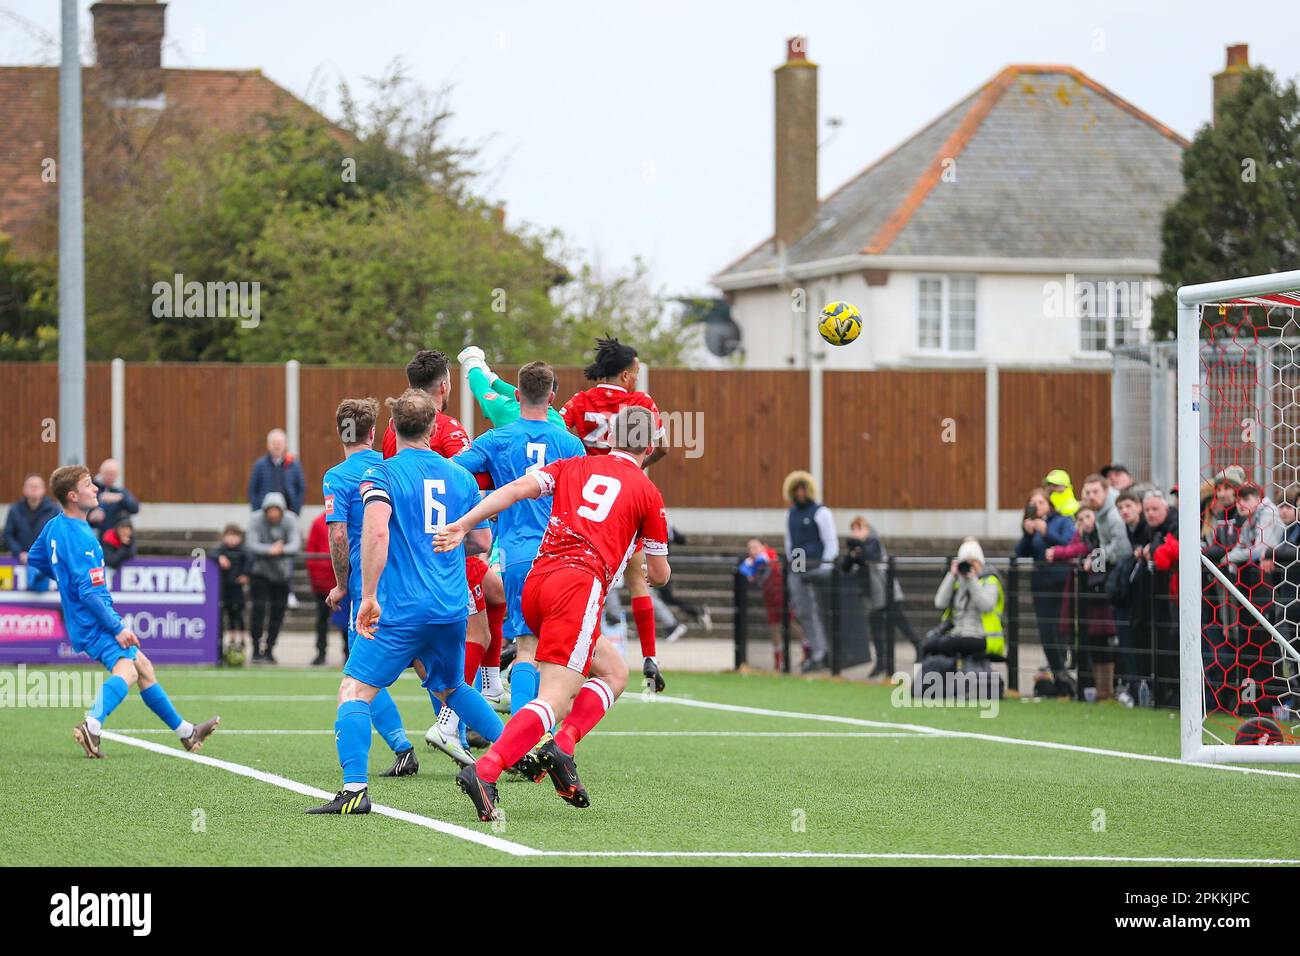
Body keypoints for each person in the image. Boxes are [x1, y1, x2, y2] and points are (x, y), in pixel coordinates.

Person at [437, 405, 670, 822]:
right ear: (650, 447)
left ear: (610, 438)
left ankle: (562, 748)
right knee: (555, 698)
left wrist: (463, 523)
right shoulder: (648, 494)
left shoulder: (575, 464)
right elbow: (658, 573)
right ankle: (486, 770)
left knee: (614, 673)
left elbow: (514, 490)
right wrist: (655, 567)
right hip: (577, 588)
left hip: (537, 583)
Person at [307, 390, 503, 815]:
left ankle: (355, 790)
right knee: (452, 687)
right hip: (450, 606)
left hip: (396, 605)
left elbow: (371, 534)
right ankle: (516, 753)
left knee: (354, 689)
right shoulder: (461, 477)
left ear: (392, 428)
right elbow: (482, 540)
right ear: (434, 427)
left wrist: (366, 594)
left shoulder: (381, 474)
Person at [27, 465, 219, 758]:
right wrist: (117, 627)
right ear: (73, 495)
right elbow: (89, 592)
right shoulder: (85, 538)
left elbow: (35, 558)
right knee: (127, 670)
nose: (95, 489)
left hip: (82, 617)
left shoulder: (55, 525)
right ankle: (92, 725)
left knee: (143, 668)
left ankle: (186, 733)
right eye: (89, 485)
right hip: (95, 619)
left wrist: (65, 582)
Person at [381, 348, 509, 749]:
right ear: (445, 386)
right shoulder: (448, 429)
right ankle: (453, 721)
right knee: (477, 634)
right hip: (447, 548)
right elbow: (468, 484)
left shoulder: (392, 429)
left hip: (406, 552)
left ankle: (480, 698)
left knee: (491, 599)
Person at [451, 361, 591, 724]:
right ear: (553, 398)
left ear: (516, 394)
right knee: (560, 653)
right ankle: (547, 730)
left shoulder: (497, 439)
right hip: (562, 558)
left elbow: (453, 468)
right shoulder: (570, 443)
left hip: (516, 554)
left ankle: (520, 737)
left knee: (526, 647)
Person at [321, 396, 420, 778]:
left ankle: (399, 749)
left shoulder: (337, 475)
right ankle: (464, 735)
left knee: (358, 672)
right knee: (438, 675)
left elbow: (339, 535)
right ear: (374, 432)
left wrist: (342, 585)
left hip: (369, 585)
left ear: (340, 432)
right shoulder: (390, 467)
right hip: (409, 580)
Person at [560, 336, 668, 673]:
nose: (636, 377)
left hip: (587, 498)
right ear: (624, 374)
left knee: (579, 574)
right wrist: (635, 471)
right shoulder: (640, 402)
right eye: (635, 371)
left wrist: (582, 464)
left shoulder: (580, 401)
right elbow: (662, 447)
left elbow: (557, 436)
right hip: (627, 500)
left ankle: (568, 648)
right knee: (638, 578)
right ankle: (649, 657)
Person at [838, 515, 918, 677]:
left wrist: (858, 549)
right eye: (853, 530)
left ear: (867, 529)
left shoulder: (873, 542)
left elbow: (870, 556)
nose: (856, 533)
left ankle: (919, 647)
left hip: (887, 592)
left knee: (902, 623)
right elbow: (846, 567)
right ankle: (881, 661)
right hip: (872, 596)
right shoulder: (858, 548)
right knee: (876, 629)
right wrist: (851, 554)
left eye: (859, 529)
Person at [1052, 505, 1118, 699]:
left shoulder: (1100, 536)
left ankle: (1107, 690)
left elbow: (1093, 554)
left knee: (1104, 644)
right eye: (1079, 520)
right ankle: (1099, 690)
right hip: (1089, 598)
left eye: (1087, 516)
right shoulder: (1084, 537)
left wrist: (1061, 552)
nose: (1084, 522)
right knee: (1094, 644)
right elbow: (1080, 548)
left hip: (1103, 597)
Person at [1016, 487, 1075, 692]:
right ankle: (1057, 674)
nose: (1037, 507)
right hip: (1040, 583)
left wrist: (1046, 532)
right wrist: (1027, 533)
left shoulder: (1062, 521)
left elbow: (1068, 543)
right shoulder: (1032, 527)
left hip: (1060, 582)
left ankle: (1064, 676)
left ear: (1049, 504)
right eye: (1033, 504)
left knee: (1058, 629)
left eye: (1040, 502)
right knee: (1045, 631)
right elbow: (1020, 553)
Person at [783, 469, 837, 672]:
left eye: (803, 489)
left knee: (822, 611)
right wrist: (792, 564)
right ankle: (817, 651)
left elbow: (830, 541)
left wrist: (826, 565)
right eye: (796, 490)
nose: (800, 493)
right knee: (804, 612)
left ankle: (828, 652)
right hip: (798, 569)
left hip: (818, 569)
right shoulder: (791, 513)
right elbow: (790, 542)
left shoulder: (821, 512)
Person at [922, 538, 1005, 661]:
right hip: (957, 633)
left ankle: (952, 677)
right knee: (928, 645)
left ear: (981, 562)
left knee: (946, 645)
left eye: (974, 562)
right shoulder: (958, 581)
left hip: (983, 636)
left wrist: (972, 580)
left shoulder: (990, 581)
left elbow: (986, 605)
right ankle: (926, 680)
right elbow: (939, 603)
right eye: (966, 562)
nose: (970, 566)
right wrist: (952, 575)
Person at [245, 491, 300, 663]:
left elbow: (295, 544)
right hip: (260, 573)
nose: (274, 515)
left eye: (277, 511)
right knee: (258, 611)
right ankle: (255, 648)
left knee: (278, 613)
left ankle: (270, 648)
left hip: (281, 575)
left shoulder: (290, 520)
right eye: (270, 511)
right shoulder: (255, 519)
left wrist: (281, 550)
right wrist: (270, 550)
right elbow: (251, 544)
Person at [457, 345, 567, 429]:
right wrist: (492, 379)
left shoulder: (505, 411)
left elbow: (482, 390)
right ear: (551, 397)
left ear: (517, 395)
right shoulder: (558, 422)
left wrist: (471, 361)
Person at [738, 537, 787, 670]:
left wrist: (751, 567)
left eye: (754, 547)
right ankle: (778, 657)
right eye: (749, 549)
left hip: (780, 593)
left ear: (763, 546)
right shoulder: (753, 560)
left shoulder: (767, 555)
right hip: (769, 595)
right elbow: (744, 570)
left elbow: (760, 563)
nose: (752, 551)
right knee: (774, 626)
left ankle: (805, 647)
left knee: (790, 621)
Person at [5, 472, 58, 591]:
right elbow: (8, 535)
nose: (34, 489)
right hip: (19, 562)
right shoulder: (14, 510)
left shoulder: (54, 510)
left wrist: (43, 554)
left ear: (44, 489)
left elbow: (58, 536)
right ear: (24, 490)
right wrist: (19, 552)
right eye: (30, 486)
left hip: (46, 561)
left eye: (37, 486)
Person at [306, 512, 346, 666]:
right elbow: (311, 550)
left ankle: (348, 653)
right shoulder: (318, 522)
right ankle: (321, 652)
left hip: (342, 580)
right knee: (322, 619)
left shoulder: (346, 519)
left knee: (346, 620)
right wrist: (317, 577)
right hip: (323, 581)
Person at [247, 428, 305, 515]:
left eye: (280, 443)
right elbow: (252, 489)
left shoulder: (294, 465)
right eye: (274, 443)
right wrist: (256, 510)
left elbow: (301, 488)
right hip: (264, 513)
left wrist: (296, 509)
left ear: (285, 445)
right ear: (268, 445)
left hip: (288, 511)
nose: (277, 446)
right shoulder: (260, 465)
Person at [216, 524, 251, 662]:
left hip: (237, 588)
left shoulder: (243, 551)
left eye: (234, 536)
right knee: (228, 616)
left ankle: (242, 640)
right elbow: (211, 553)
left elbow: (250, 560)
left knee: (239, 615)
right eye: (228, 536)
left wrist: (245, 574)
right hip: (225, 589)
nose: (231, 540)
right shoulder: (222, 550)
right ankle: (231, 640)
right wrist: (220, 558)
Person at [88, 459, 139, 538]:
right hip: (96, 534)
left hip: (115, 536)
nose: (111, 477)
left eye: (113, 474)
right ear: (101, 472)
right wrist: (90, 516)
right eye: (108, 473)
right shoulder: (92, 488)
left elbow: (135, 508)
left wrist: (120, 498)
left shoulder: (120, 491)